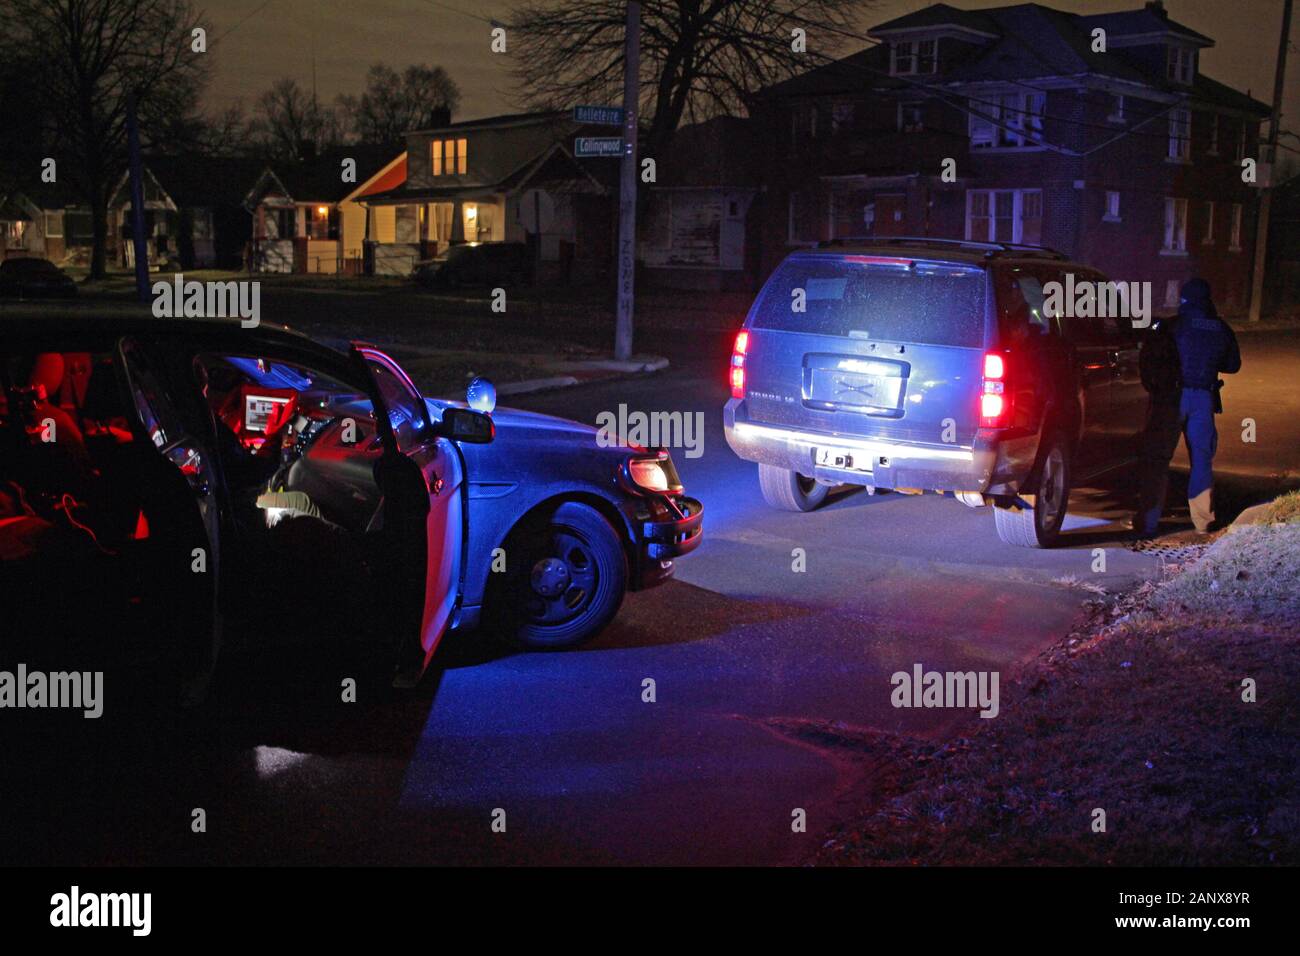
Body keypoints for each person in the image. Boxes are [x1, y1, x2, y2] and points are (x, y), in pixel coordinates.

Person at [1134, 277, 1241, 536]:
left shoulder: (1171, 326)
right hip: (1203, 398)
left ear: (1183, 299)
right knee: (1202, 460)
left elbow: (1149, 359)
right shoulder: (1220, 328)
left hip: (1170, 399)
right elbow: (1232, 365)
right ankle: (1203, 521)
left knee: (1159, 460)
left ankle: (1148, 522)